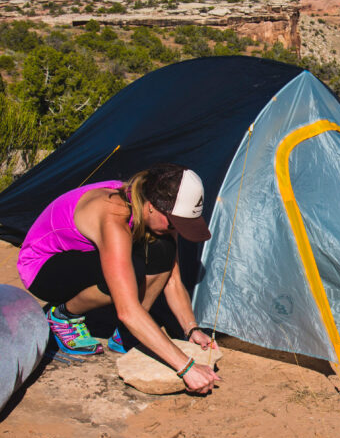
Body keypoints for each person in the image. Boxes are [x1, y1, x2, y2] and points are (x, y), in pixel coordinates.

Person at [17, 163, 220, 394]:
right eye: (175, 223)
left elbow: (172, 280)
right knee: (130, 270)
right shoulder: (113, 215)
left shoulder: (161, 213)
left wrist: (191, 329)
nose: (176, 228)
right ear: (153, 207)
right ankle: (63, 316)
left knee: (162, 249)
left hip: (83, 256)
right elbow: (127, 309)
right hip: (42, 267)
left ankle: (125, 334)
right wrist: (187, 368)